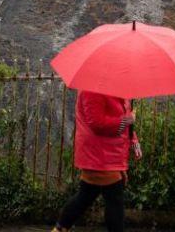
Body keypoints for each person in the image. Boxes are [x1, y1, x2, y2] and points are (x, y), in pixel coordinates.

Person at [52, 90, 142, 232]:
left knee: (85, 197)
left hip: (109, 153)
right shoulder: (91, 89)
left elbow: (125, 118)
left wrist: (133, 140)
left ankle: (60, 228)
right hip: (99, 154)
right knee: (114, 200)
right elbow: (96, 123)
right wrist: (125, 121)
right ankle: (60, 227)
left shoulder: (117, 87)